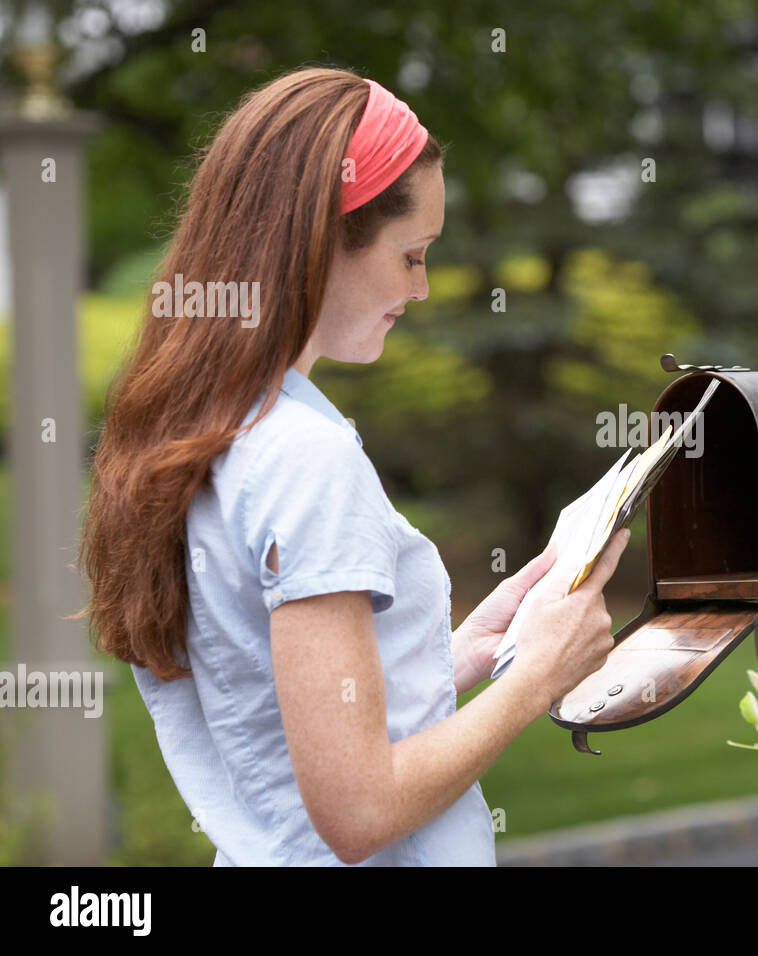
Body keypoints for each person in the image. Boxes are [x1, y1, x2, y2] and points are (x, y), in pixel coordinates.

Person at [75, 67, 629, 866]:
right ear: (321, 239)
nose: (424, 286)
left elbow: (285, 706)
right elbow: (360, 809)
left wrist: (470, 651)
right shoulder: (306, 458)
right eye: (412, 254)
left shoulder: (218, 429)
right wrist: (537, 679)